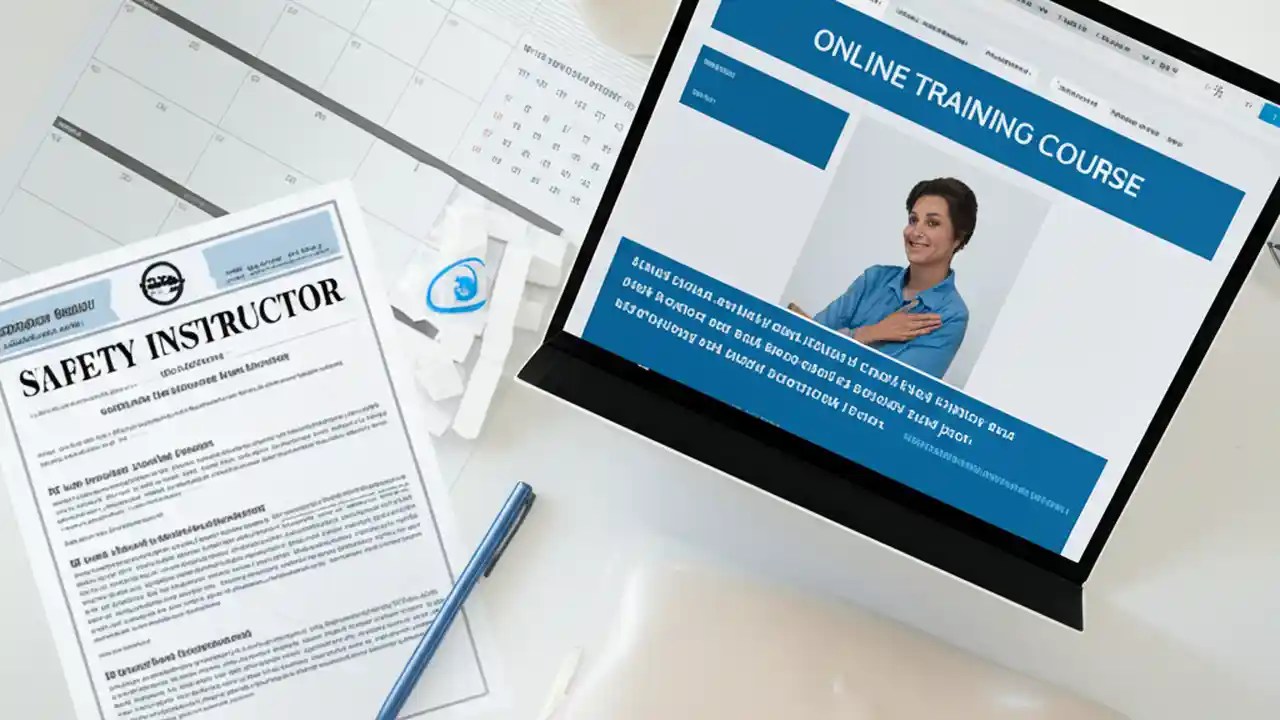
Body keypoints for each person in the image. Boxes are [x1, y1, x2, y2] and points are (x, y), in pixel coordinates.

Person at [804, 178, 975, 379]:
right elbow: (806, 338)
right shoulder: (874, 278)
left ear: (958, 239)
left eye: (932, 223)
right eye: (913, 220)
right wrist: (871, 333)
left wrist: (839, 341)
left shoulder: (951, 315)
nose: (915, 232)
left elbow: (886, 387)